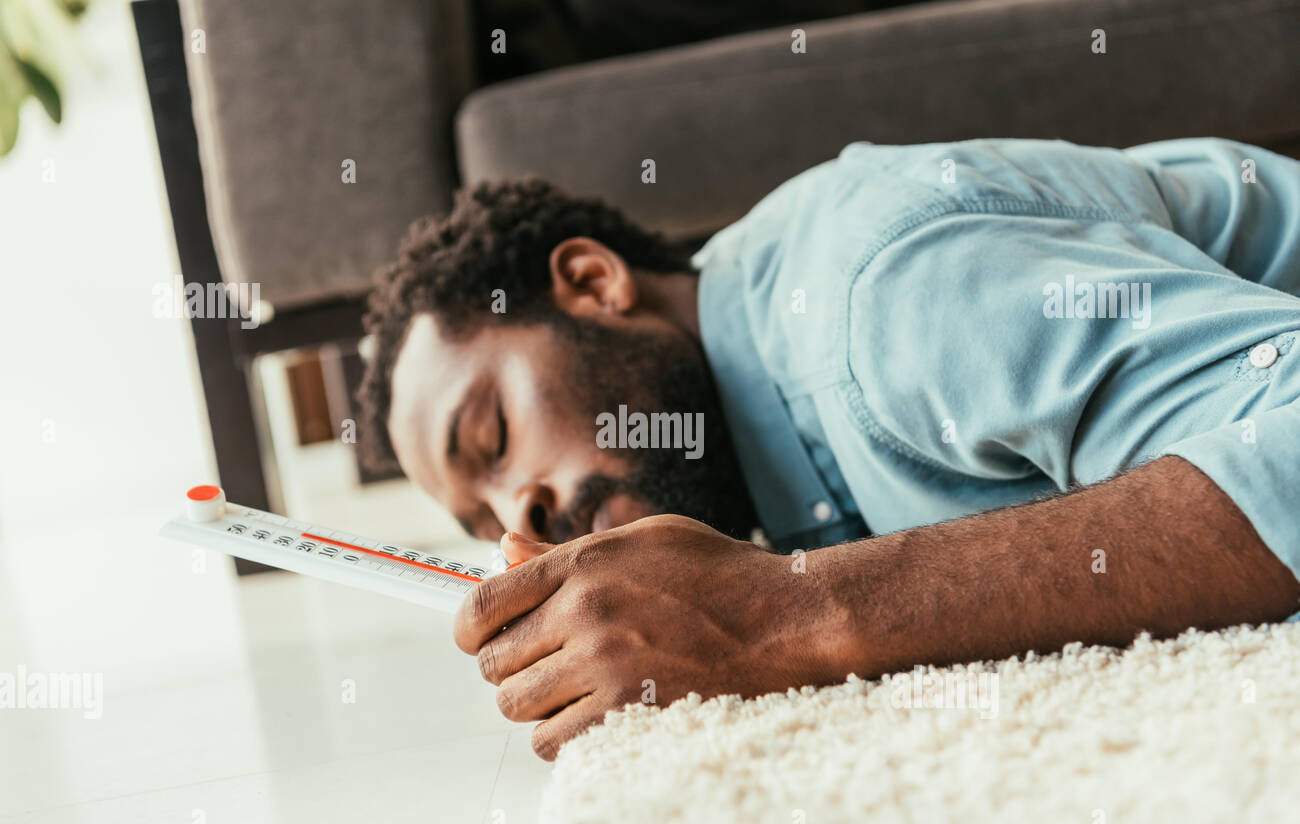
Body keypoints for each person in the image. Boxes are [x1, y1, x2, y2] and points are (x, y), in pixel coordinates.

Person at [357, 138, 1300, 758]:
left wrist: (783, 615)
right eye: (481, 517)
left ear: (593, 282)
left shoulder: (887, 298)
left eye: (494, 434)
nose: (517, 512)